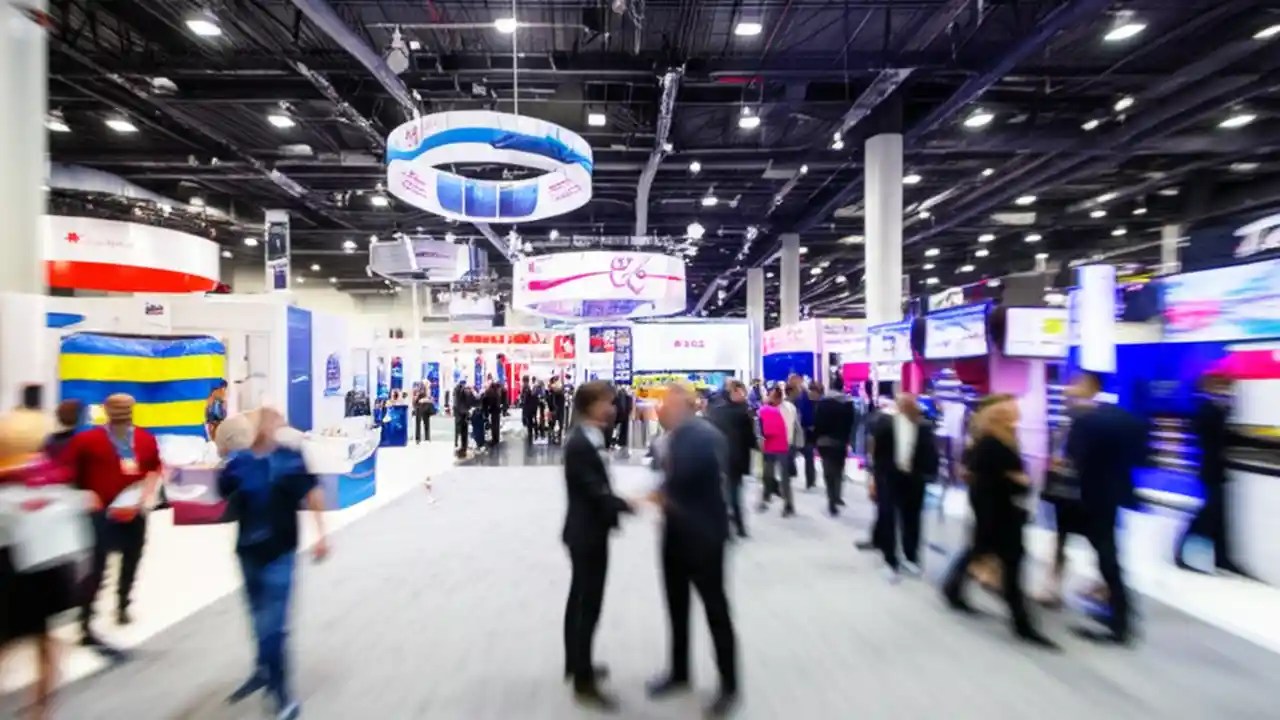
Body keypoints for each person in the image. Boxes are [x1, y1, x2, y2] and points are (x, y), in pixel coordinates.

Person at [219, 407, 329, 720]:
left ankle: (281, 693)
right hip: (248, 552)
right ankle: (262, 670)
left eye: (272, 420)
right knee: (258, 618)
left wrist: (321, 534)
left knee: (274, 627)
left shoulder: (290, 458)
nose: (268, 425)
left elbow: (313, 492)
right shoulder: (240, 460)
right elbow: (223, 492)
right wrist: (225, 455)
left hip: (280, 552)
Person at [646, 383, 739, 719]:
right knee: (677, 606)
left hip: (704, 537)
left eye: (668, 404)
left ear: (687, 405)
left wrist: (659, 495)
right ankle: (679, 671)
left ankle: (729, 686)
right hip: (675, 534)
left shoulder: (703, 436)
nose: (662, 409)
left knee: (715, 611)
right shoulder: (672, 437)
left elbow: (685, 478)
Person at [941, 395, 1057, 649]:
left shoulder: (995, 440)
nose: (1017, 414)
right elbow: (988, 480)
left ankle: (953, 589)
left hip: (997, 512)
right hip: (1000, 514)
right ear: (1000, 416)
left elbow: (975, 474)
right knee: (1010, 563)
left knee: (981, 552)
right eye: (1012, 411)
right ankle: (1022, 623)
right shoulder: (993, 444)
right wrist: (1019, 481)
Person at [0, 406, 87, 720]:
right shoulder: (55, 479)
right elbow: (76, 529)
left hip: (15, 572)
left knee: (11, 640)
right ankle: (41, 710)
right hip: (53, 573)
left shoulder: (7, 484)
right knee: (45, 642)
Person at [63, 393, 162, 654]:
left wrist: (145, 496)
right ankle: (85, 621)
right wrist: (86, 496)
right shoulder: (87, 441)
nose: (121, 412)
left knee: (132, 559)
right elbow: (71, 474)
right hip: (101, 513)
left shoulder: (145, 439)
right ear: (106, 410)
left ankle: (122, 605)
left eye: (125, 408)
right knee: (97, 568)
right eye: (116, 408)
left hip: (133, 510)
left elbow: (154, 469)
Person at [561, 381, 634, 710]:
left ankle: (577, 662)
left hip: (588, 530)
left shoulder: (592, 436)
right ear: (591, 405)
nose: (613, 408)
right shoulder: (580, 443)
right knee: (587, 604)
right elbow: (595, 491)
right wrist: (632, 504)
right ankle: (583, 679)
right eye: (608, 402)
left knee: (580, 598)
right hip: (586, 533)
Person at [1065, 371, 1142, 645]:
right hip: (1114, 494)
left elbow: (1074, 457)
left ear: (1090, 386)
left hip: (1091, 496)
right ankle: (1118, 612)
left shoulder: (1083, 419)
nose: (1070, 388)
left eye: (1076, 383)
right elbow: (1140, 455)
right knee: (1108, 553)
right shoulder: (1126, 417)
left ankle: (1120, 620)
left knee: (1106, 556)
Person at [1176, 372, 1278, 577]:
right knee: (1207, 516)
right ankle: (1179, 552)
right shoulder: (1208, 410)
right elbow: (1222, 438)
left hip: (1216, 470)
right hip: (1211, 471)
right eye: (1224, 386)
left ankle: (1223, 558)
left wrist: (1266, 442)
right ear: (1211, 386)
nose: (1229, 391)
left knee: (1220, 518)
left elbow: (1229, 437)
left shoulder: (1215, 409)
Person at [868, 394, 938, 578]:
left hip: (914, 479)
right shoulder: (886, 424)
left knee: (912, 519)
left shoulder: (923, 427)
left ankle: (910, 556)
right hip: (888, 477)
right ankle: (890, 558)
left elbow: (930, 453)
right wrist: (873, 477)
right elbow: (877, 453)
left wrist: (928, 474)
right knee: (888, 517)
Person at [710, 379, 759, 535]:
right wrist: (757, 446)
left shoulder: (717, 410)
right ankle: (737, 524)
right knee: (733, 492)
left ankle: (727, 522)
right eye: (739, 391)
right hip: (735, 458)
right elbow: (749, 438)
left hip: (722, 457)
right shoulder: (742, 412)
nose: (742, 394)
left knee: (728, 491)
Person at [813, 378, 856, 516]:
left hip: (824, 441)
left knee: (828, 471)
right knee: (838, 469)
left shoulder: (822, 403)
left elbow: (817, 423)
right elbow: (851, 424)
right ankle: (837, 496)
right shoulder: (847, 404)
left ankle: (831, 498)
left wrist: (816, 438)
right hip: (840, 441)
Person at [756, 386, 794, 517]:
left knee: (772, 475)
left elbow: (763, 430)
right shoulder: (784, 408)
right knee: (776, 475)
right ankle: (782, 502)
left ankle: (775, 500)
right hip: (778, 446)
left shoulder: (766, 410)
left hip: (774, 446)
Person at [790, 376, 817, 490]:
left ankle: (810, 480)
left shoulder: (807, 396)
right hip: (797, 430)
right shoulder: (794, 397)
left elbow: (810, 413)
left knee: (808, 455)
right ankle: (800, 475)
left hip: (806, 430)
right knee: (792, 453)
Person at [453, 382, 474, 457]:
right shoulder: (464, 393)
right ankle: (463, 448)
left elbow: (457, 406)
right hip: (463, 414)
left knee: (460, 432)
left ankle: (461, 447)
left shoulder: (457, 394)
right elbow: (469, 402)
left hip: (459, 415)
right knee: (464, 432)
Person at [613, 386, 634, 451]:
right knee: (619, 430)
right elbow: (626, 406)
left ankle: (615, 442)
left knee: (616, 429)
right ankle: (617, 442)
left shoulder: (621, 395)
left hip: (621, 415)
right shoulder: (625, 395)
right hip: (623, 415)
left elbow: (624, 406)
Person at [484, 381, 503, 447]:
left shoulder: (491, 392)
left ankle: (494, 440)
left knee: (494, 425)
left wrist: (488, 409)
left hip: (494, 410)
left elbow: (489, 402)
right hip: (497, 410)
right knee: (496, 425)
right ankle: (496, 439)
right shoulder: (497, 392)